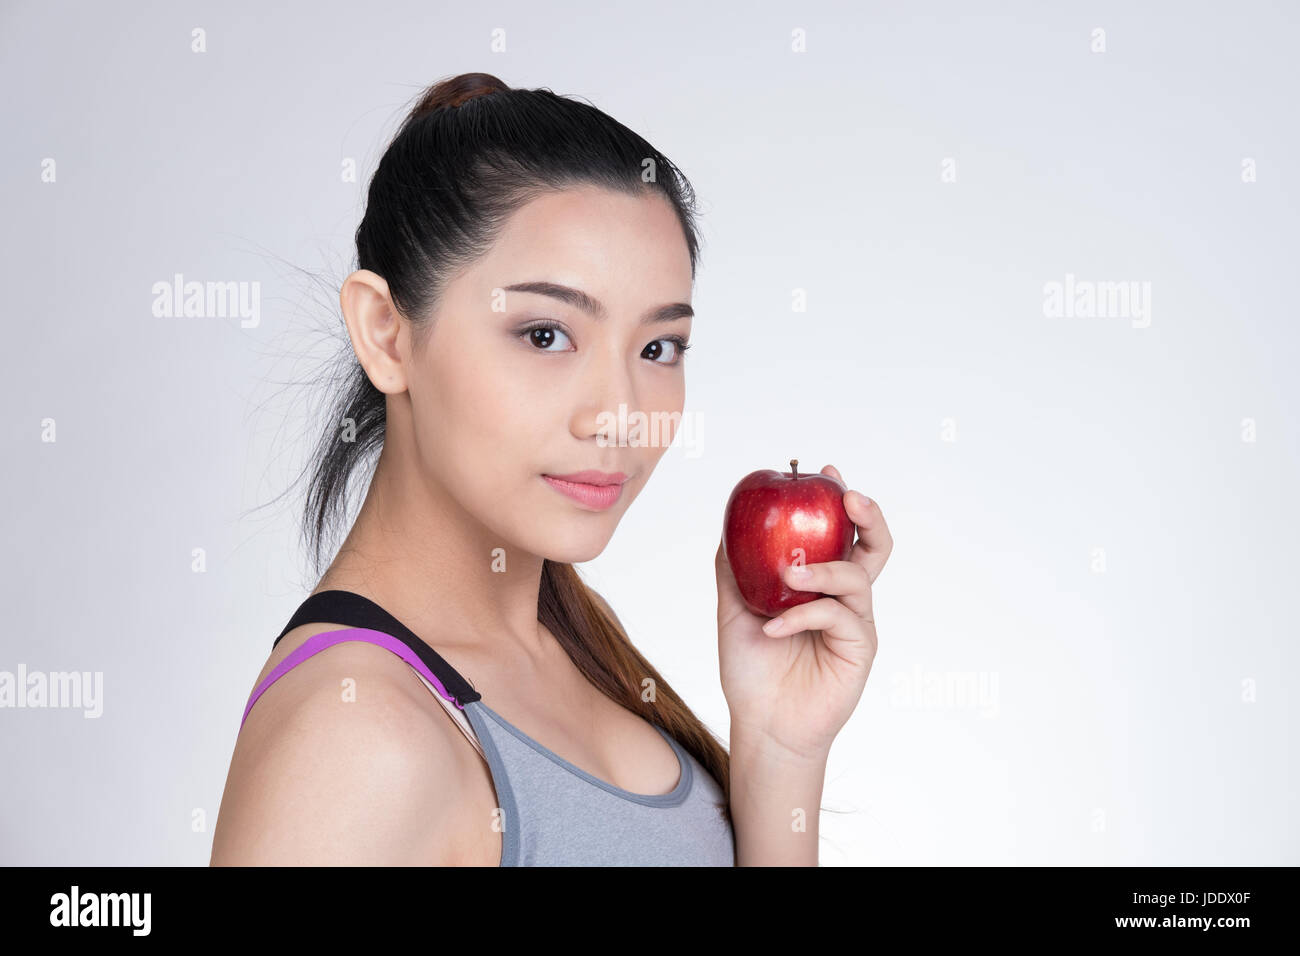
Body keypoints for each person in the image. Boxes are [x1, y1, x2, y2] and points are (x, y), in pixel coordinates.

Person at [209, 72, 891, 866]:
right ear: (387, 334)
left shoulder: (573, 652)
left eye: (657, 347)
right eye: (545, 335)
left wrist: (781, 751)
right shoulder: (357, 739)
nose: (619, 413)